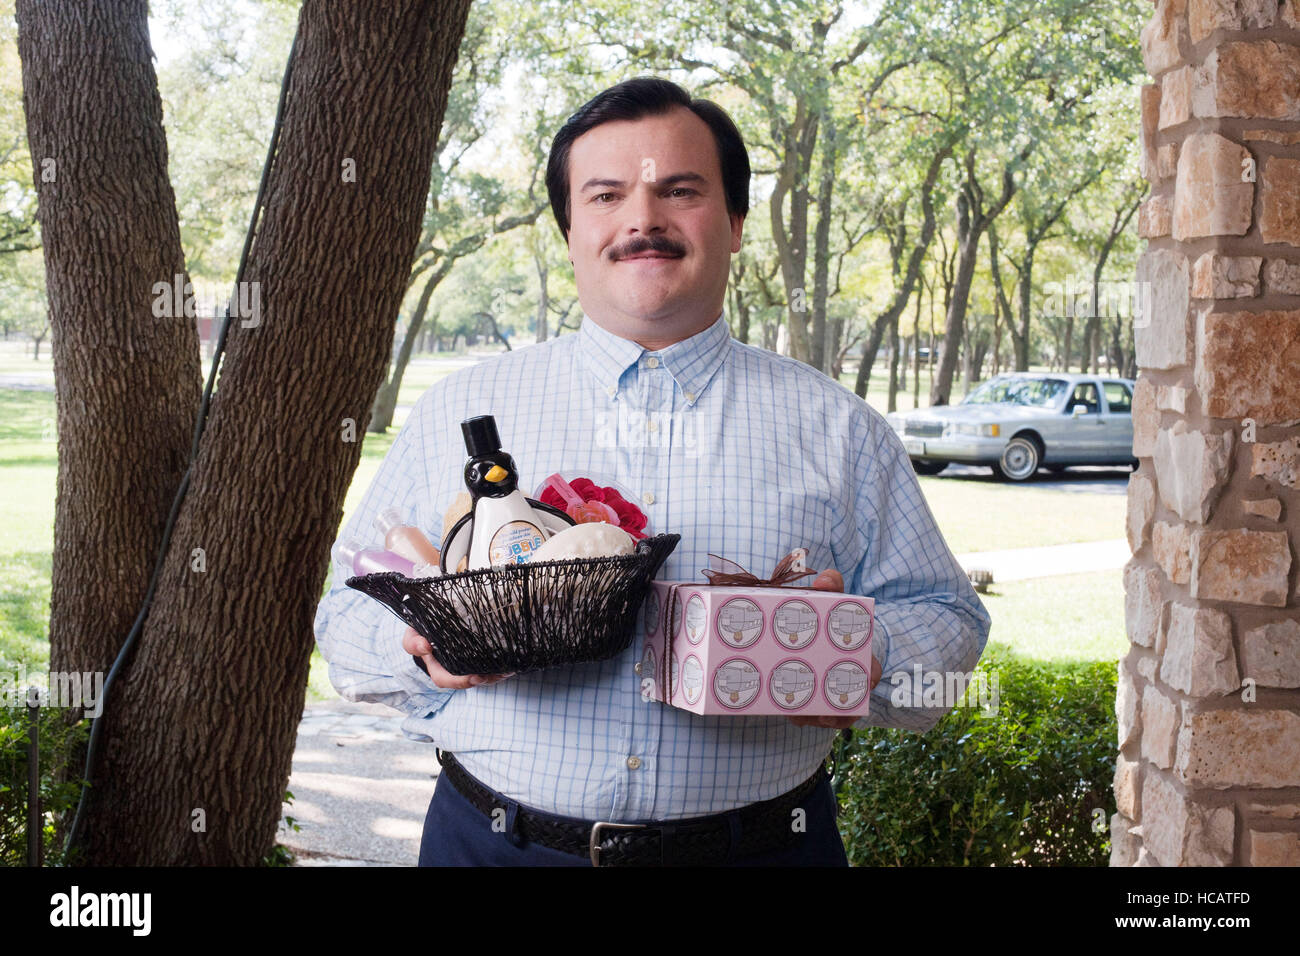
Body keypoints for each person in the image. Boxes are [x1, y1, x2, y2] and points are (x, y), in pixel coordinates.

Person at [313, 76, 991, 866]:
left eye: (679, 190)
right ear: (569, 229)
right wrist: (422, 642)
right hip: (493, 848)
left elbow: (950, 620)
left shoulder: (840, 428)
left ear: (736, 222)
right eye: (605, 196)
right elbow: (342, 621)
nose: (642, 220)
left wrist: (851, 651)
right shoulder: (459, 410)